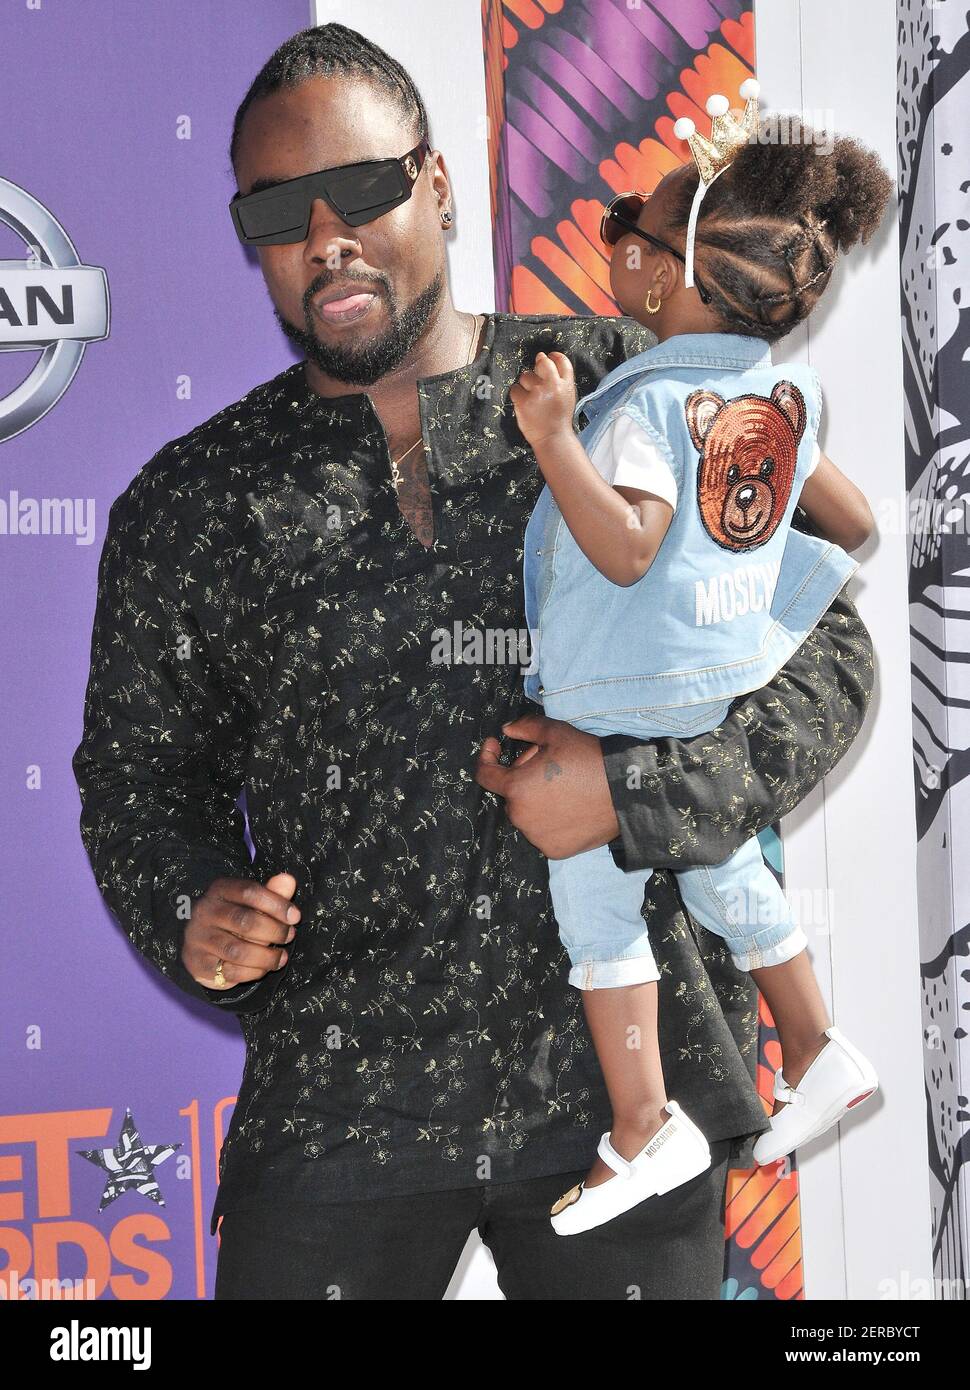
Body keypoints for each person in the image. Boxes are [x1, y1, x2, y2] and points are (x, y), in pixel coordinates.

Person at [71, 24, 874, 1300]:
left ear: (437, 186)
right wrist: (191, 912)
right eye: (281, 209)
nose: (326, 236)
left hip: (627, 1091)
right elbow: (134, 778)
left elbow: (828, 661)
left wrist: (632, 792)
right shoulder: (193, 503)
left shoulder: (633, 384)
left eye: (367, 190)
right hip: (341, 1108)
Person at [507, 88, 892, 1235]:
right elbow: (857, 522)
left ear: (668, 277)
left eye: (637, 221)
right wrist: (745, 551)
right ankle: (818, 1045)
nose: (612, 235)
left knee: (594, 901)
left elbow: (623, 549)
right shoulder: (781, 393)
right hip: (715, 682)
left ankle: (643, 1126)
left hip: (620, 695)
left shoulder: (647, 403)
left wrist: (551, 439)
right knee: (726, 875)